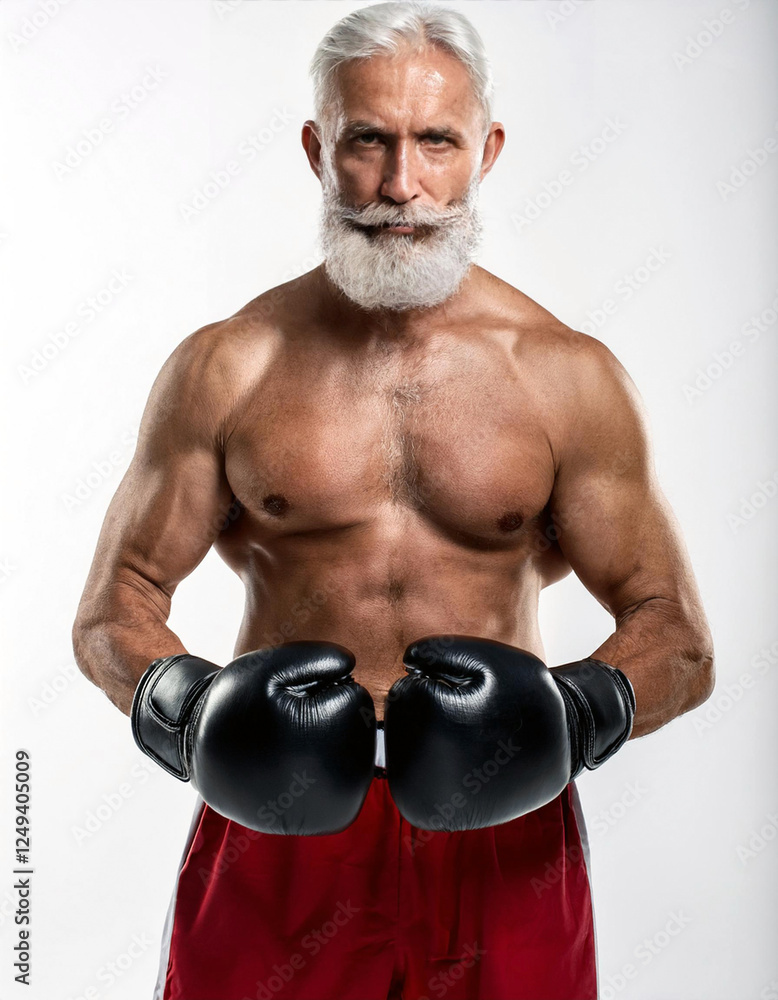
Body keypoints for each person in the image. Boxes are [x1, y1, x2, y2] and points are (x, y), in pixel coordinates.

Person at [72, 3, 715, 998]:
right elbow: (113, 607)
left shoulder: (565, 378)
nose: (399, 185)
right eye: (366, 139)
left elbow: (676, 634)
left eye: (435, 142)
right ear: (316, 147)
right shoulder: (227, 366)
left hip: (503, 824)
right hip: (274, 821)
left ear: (486, 151)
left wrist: (577, 712)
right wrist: (190, 709)